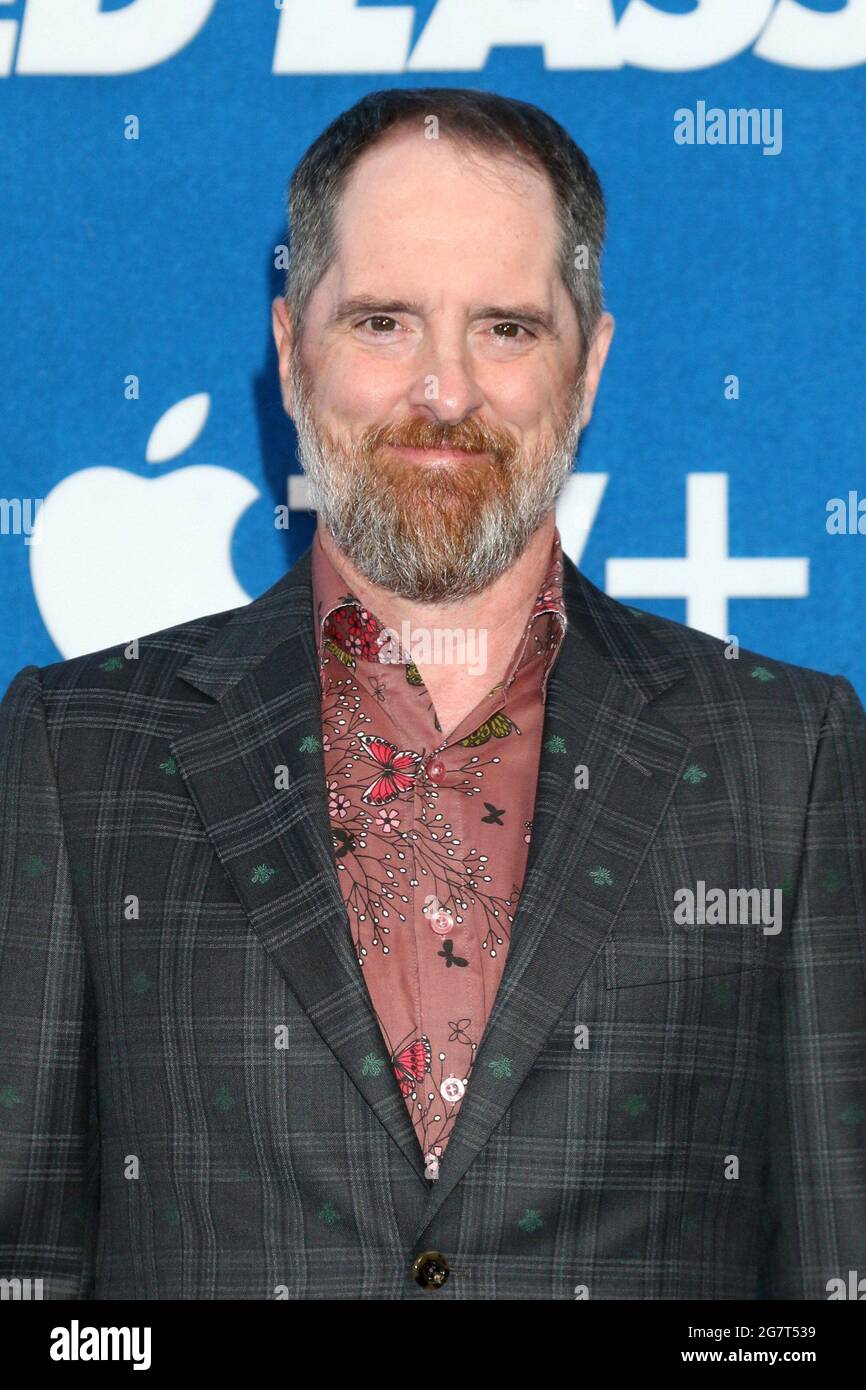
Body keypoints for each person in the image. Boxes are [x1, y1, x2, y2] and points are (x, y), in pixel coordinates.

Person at [1, 87, 864, 1301]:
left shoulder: (787, 754)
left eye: (505, 328)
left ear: (590, 362)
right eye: (384, 321)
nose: (444, 391)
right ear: (292, 350)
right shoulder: (75, 748)